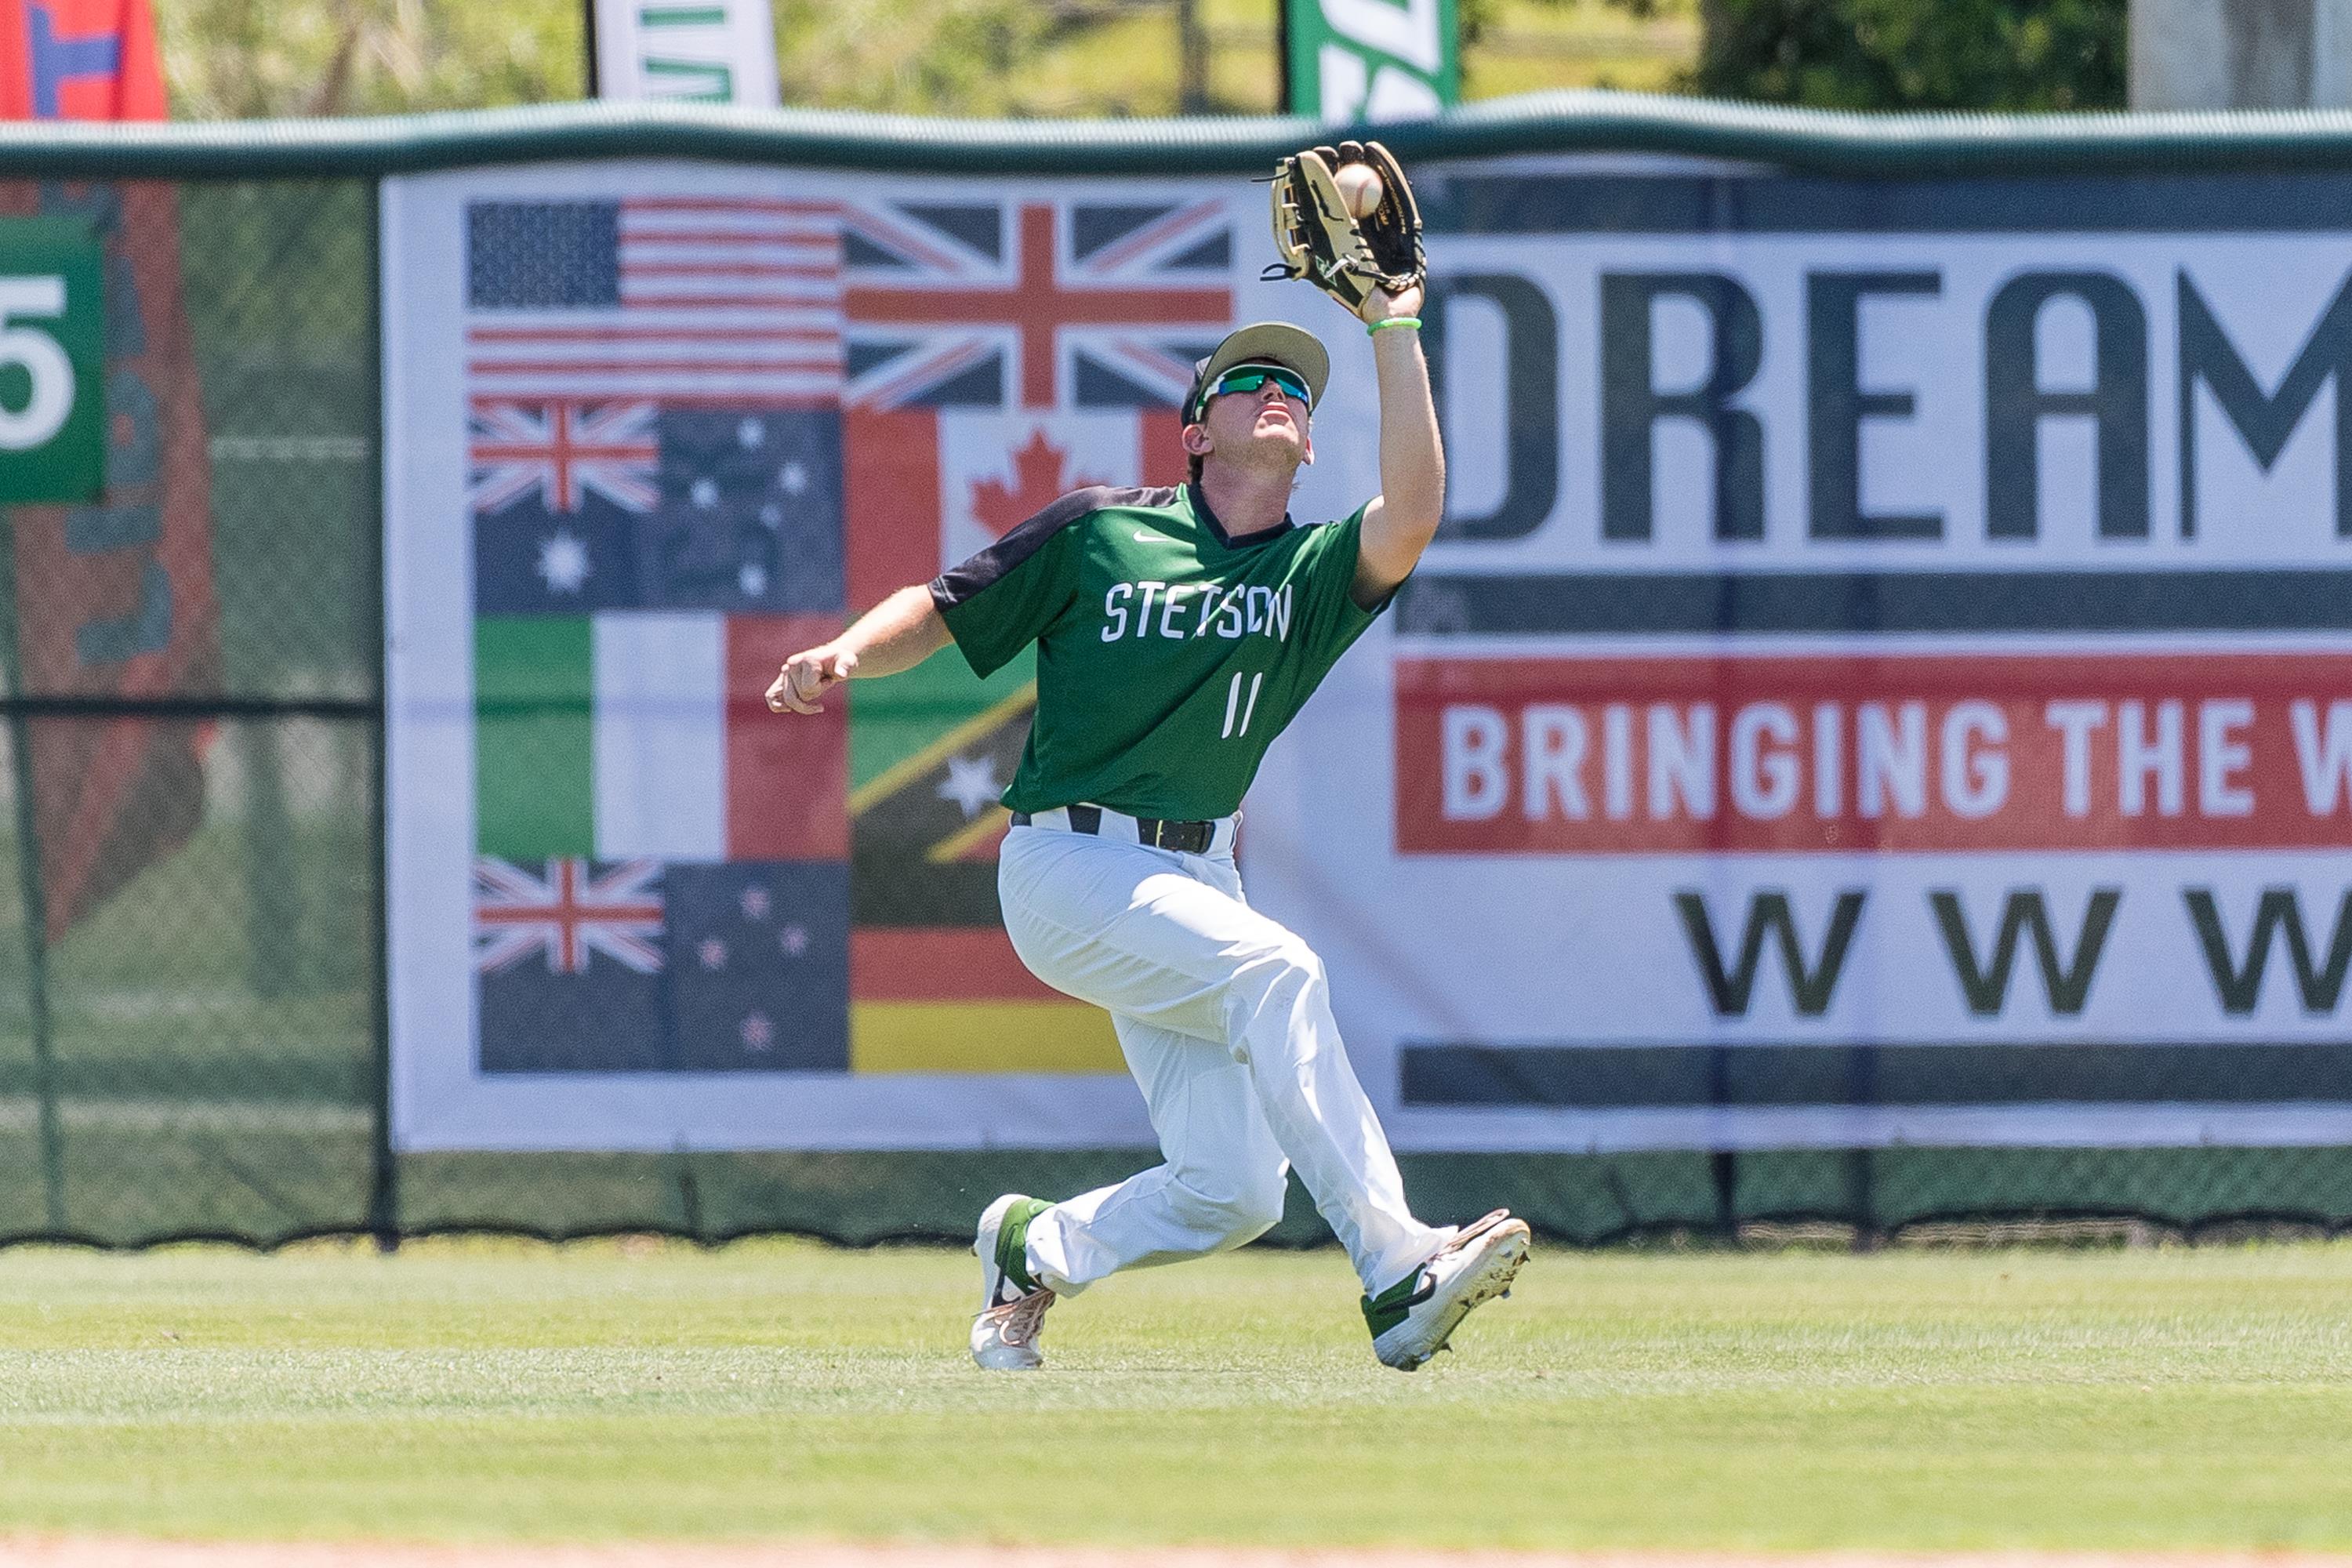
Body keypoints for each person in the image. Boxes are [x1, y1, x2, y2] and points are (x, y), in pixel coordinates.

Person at [765, 264, 1530, 1373]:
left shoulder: (1309, 572)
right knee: (1279, 972)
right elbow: (940, 607)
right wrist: (846, 653)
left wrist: (1394, 325)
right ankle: (1398, 1267)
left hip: (1196, 878)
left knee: (1234, 1189)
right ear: (1196, 434)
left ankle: (1032, 1246)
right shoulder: (1102, 530)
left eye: (1297, 391)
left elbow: (1412, 513)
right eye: (1251, 382)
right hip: (1066, 865)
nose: (1280, 394)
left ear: (1311, 445)